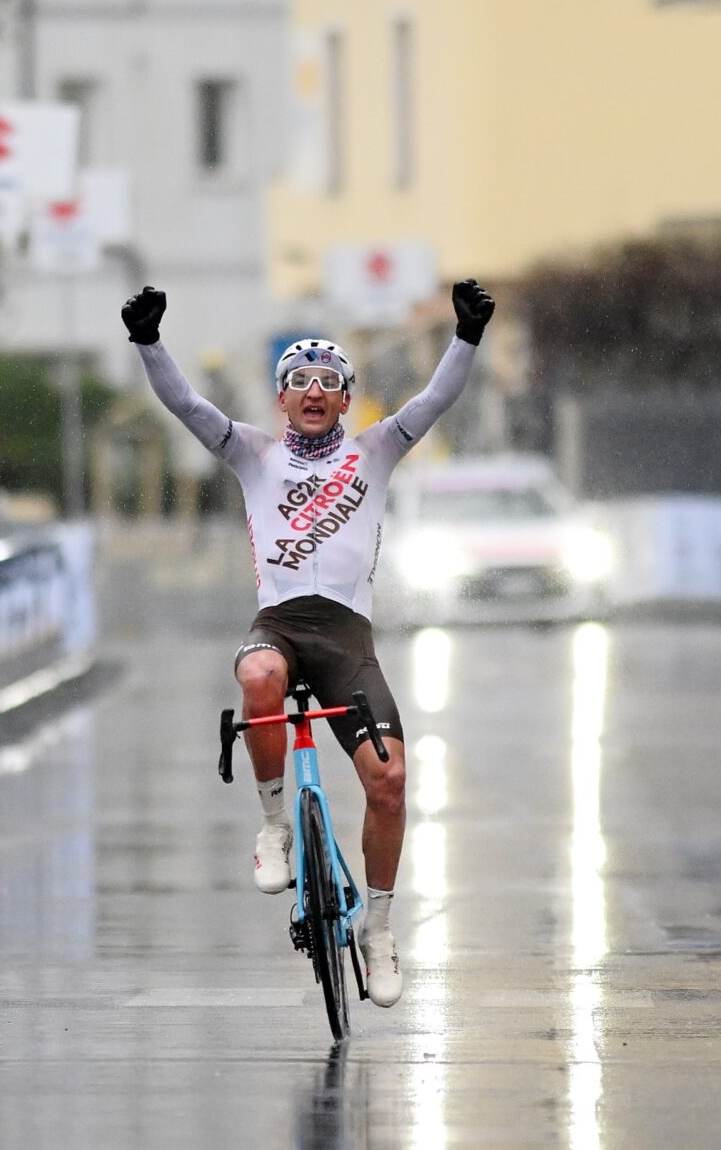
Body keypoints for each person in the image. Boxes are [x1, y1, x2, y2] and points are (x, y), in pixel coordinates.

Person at [127, 276, 494, 1011]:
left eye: (329, 381)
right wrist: (149, 342)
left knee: (389, 779)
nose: (315, 391)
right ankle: (274, 828)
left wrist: (466, 336)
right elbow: (187, 405)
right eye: (300, 381)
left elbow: (435, 399)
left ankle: (378, 928)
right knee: (258, 674)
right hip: (281, 624)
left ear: (348, 397)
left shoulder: (376, 450)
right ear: (281, 398)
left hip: (348, 639)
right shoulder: (253, 454)